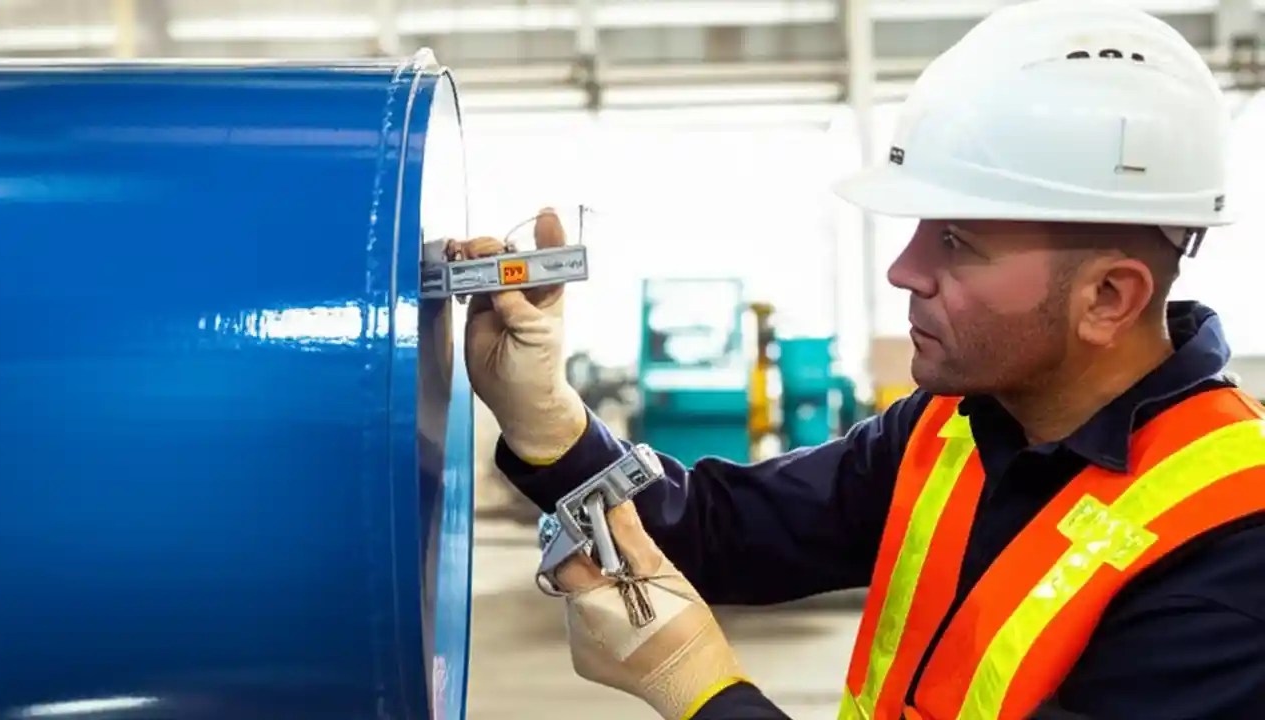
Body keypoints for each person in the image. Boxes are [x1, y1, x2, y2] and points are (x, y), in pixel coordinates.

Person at [462, 1, 1265, 718]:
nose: (904, 270)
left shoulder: (1231, 552)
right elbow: (720, 530)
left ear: (1107, 299)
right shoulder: (953, 429)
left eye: (956, 241)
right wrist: (547, 419)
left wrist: (696, 686)